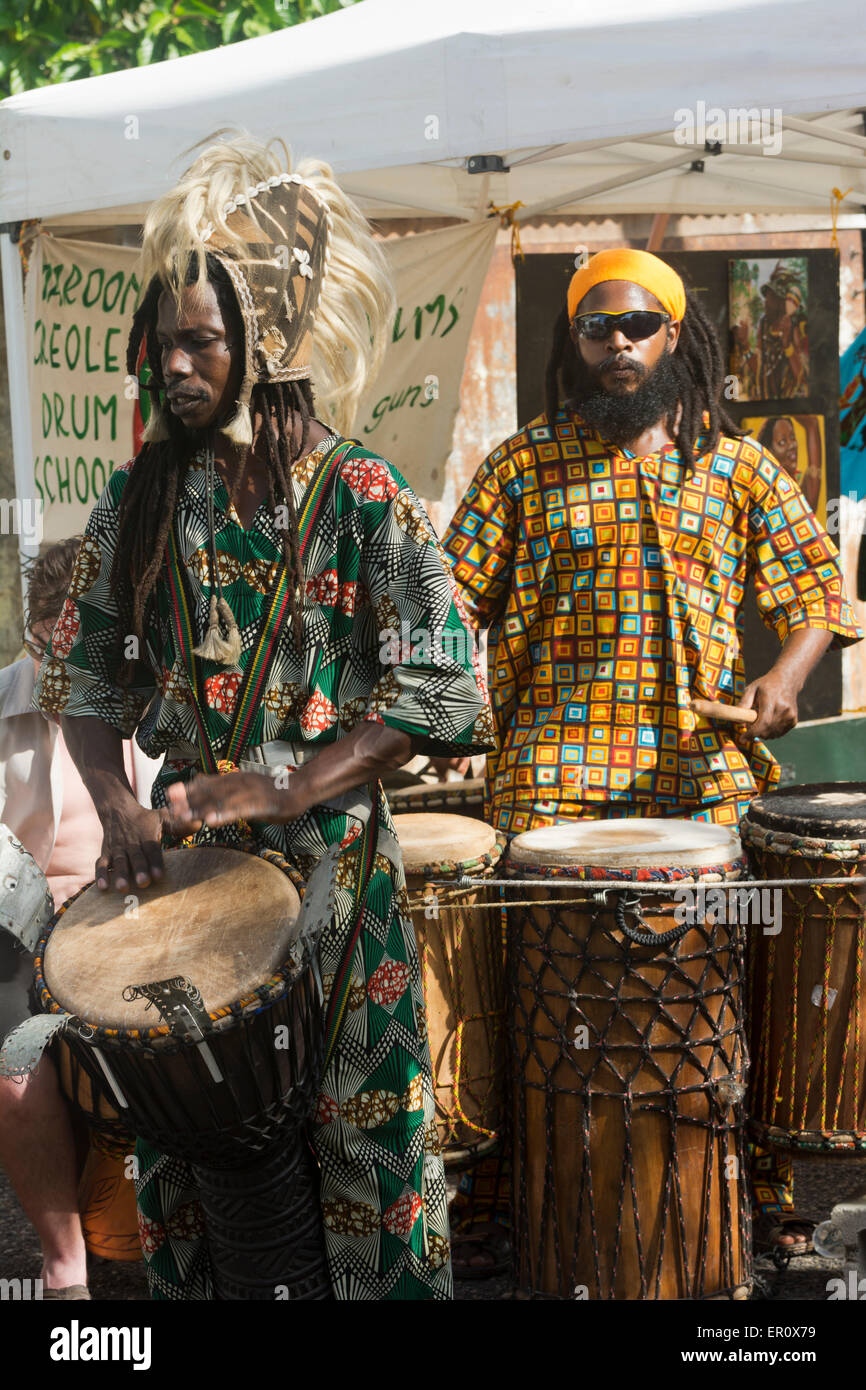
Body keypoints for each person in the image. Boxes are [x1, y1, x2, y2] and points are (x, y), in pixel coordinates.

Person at [36, 133, 493, 1301]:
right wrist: (112, 803)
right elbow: (85, 681)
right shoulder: (137, 503)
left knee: (360, 1167)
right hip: (186, 900)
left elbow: (443, 689)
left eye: (201, 340)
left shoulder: (360, 495)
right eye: (162, 340)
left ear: (264, 347)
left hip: (340, 897)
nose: (171, 362)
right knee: (198, 1188)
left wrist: (283, 785)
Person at [443, 247, 862, 1258]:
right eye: (598, 329)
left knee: (726, 977)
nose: (617, 345)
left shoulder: (736, 465)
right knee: (525, 982)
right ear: (572, 339)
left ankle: (750, 1192)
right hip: (548, 770)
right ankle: (505, 1197)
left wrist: (780, 683)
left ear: (676, 334)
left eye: (637, 326)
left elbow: (813, 594)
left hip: (695, 764)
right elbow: (450, 603)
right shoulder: (519, 465)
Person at [0, 540, 159, 1296]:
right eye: (43, 638)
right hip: (25, 936)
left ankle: (181, 1226)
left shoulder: (151, 703)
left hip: (142, 919)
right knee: (12, 1063)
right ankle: (64, 1261)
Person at [755, 415, 822, 513]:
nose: (792, 445)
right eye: (782, 442)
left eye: (792, 437)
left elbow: (814, 472)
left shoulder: (796, 490)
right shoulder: (766, 494)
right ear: (769, 452)